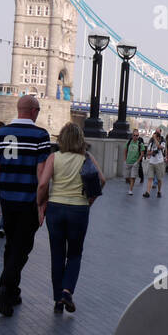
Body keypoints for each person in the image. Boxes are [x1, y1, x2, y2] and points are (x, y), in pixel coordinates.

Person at [0, 95, 52, 316]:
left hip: (7, 197)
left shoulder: (2, 133)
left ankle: (12, 291)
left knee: (12, 244)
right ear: (34, 111)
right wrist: (42, 202)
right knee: (23, 247)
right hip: (28, 199)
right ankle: (4, 288)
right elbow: (41, 172)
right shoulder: (40, 135)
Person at [37, 122, 101, 313]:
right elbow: (101, 180)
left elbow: (42, 185)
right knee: (74, 254)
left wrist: (40, 204)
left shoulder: (54, 157)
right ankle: (67, 291)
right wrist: (89, 202)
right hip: (78, 209)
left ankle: (57, 299)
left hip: (56, 209)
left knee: (57, 255)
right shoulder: (86, 158)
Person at [144, 131, 166, 198]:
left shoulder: (162, 142)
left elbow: (159, 147)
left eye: (155, 137)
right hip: (151, 162)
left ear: (159, 138)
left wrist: (155, 139)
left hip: (159, 163)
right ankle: (147, 192)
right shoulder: (151, 144)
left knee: (159, 179)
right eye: (153, 137)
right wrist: (152, 153)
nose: (154, 139)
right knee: (150, 178)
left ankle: (159, 191)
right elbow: (148, 153)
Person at [125, 129, 144, 195]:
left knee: (133, 177)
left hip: (135, 163)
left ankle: (130, 190)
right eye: (134, 135)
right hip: (128, 162)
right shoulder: (129, 142)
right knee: (127, 177)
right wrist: (125, 160)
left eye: (137, 135)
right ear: (132, 135)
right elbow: (125, 150)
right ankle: (131, 184)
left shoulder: (140, 144)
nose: (136, 136)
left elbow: (142, 154)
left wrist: (137, 162)